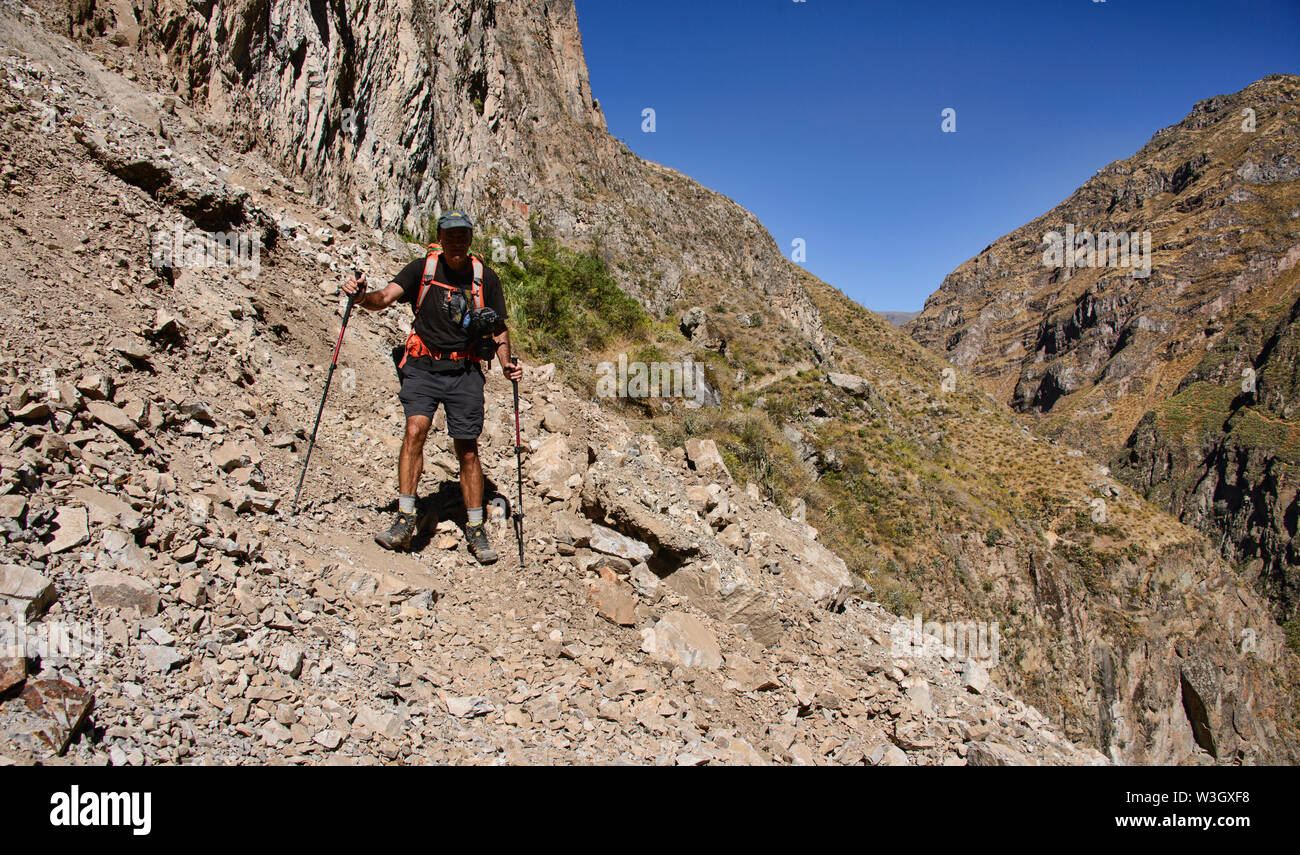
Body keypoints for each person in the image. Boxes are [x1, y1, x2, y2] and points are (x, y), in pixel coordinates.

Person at [342, 209, 524, 563]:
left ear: (470, 239)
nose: (457, 241)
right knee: (415, 429)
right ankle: (406, 516)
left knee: (467, 448)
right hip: (423, 365)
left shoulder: (485, 277)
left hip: (465, 370)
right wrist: (361, 296)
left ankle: (475, 527)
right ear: (440, 238)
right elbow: (383, 299)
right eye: (450, 235)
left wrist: (506, 365)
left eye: (463, 235)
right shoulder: (421, 269)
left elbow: (499, 327)